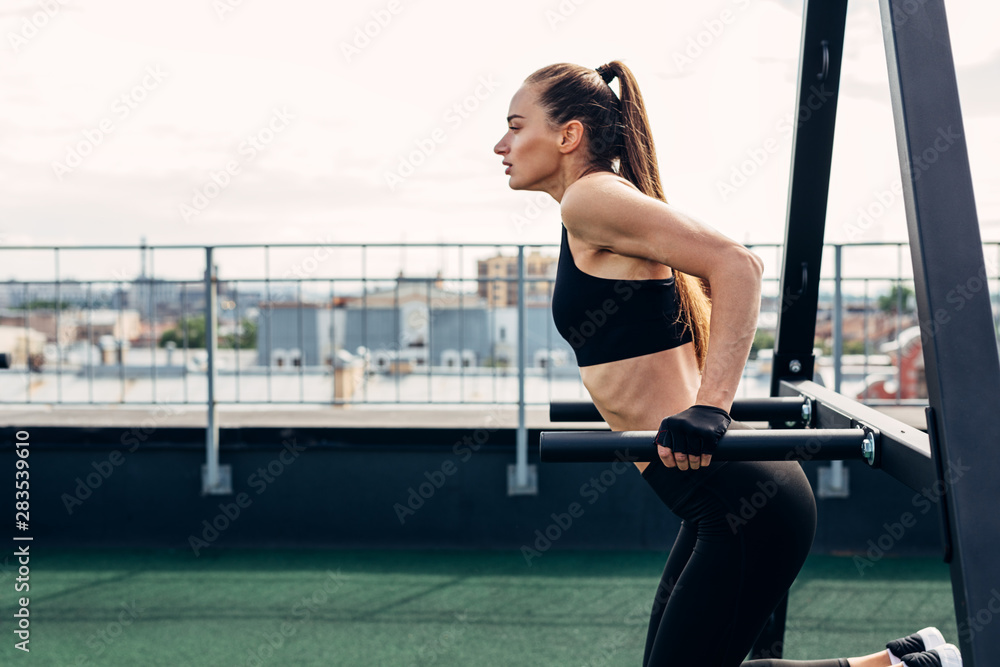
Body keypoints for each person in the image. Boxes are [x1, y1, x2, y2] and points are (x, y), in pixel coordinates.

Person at [493, 60, 962, 667]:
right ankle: (901, 661)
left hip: (740, 497)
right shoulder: (598, 205)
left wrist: (711, 407)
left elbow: (738, 266)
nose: (500, 144)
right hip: (726, 496)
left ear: (567, 135)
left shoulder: (589, 198)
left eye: (514, 125)